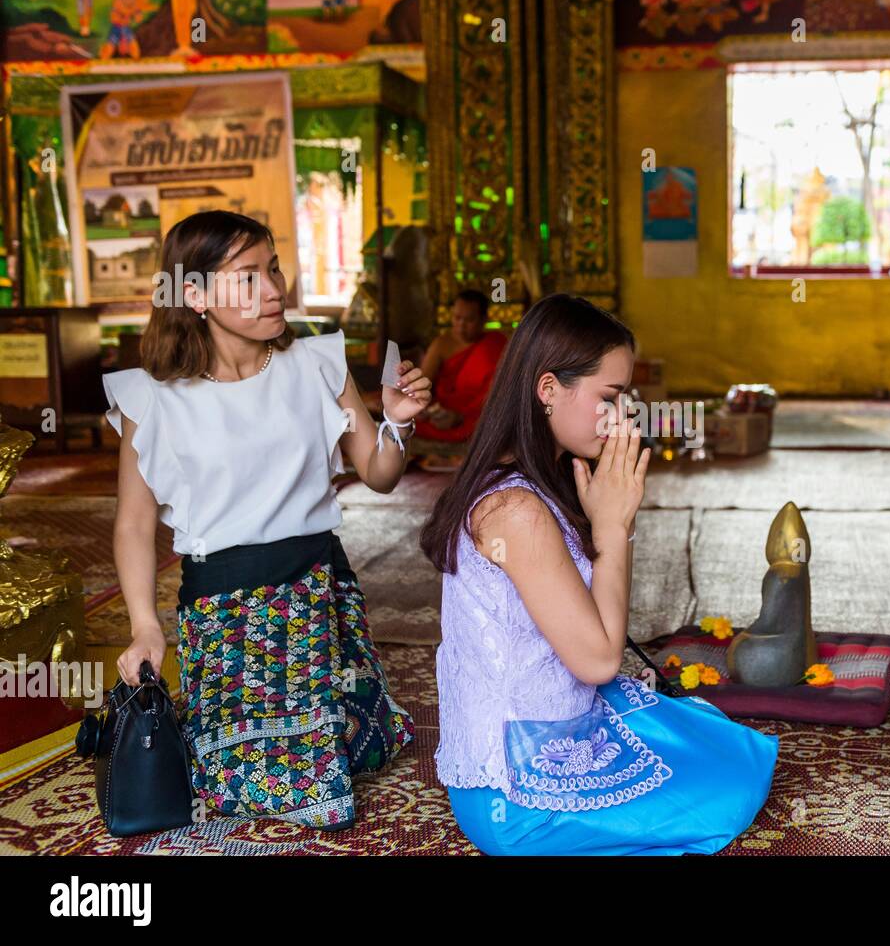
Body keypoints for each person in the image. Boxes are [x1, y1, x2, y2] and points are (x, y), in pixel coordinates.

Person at [421, 293, 778, 855]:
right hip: (517, 796)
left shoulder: (541, 483)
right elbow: (599, 659)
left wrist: (617, 525)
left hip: (559, 729)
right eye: (608, 398)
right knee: (725, 787)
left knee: (725, 745)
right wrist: (612, 528)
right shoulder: (514, 512)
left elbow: (599, 630)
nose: (620, 416)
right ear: (547, 389)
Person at [107, 210, 429, 830]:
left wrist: (398, 419)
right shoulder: (152, 398)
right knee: (262, 783)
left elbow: (381, 473)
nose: (275, 288)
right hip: (225, 609)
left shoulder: (316, 363)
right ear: (194, 294)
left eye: (274, 267)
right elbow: (133, 524)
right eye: (248, 276)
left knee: (341, 771)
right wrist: (145, 626)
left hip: (318, 592)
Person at [415, 288, 508, 443]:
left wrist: (462, 417)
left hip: (479, 416)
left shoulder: (496, 344)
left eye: (469, 320)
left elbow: (503, 393)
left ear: (484, 319)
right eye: (457, 318)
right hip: (445, 414)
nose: (461, 325)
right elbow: (421, 387)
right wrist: (424, 410)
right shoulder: (441, 345)